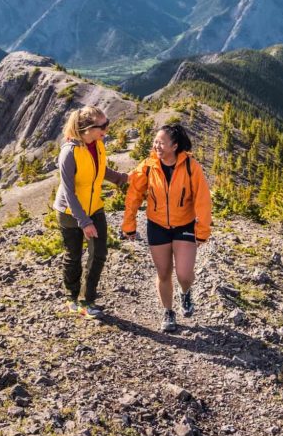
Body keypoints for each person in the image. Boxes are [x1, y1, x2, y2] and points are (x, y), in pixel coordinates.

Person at [122, 122, 211, 333]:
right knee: (163, 273)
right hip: (157, 225)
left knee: (184, 274)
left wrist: (203, 230)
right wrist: (129, 224)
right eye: (155, 142)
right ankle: (168, 312)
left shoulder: (191, 167)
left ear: (175, 146)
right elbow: (134, 194)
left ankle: (186, 291)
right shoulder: (148, 166)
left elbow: (203, 200)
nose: (156, 146)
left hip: (184, 225)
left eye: (161, 143)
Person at [54, 106, 127, 318]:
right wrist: (84, 222)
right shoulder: (69, 152)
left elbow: (100, 170)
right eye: (102, 126)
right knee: (74, 255)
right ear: (87, 128)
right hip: (69, 212)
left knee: (99, 253)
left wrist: (123, 178)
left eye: (107, 123)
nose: (107, 129)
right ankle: (71, 297)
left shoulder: (97, 144)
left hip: (94, 206)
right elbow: (68, 191)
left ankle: (87, 300)